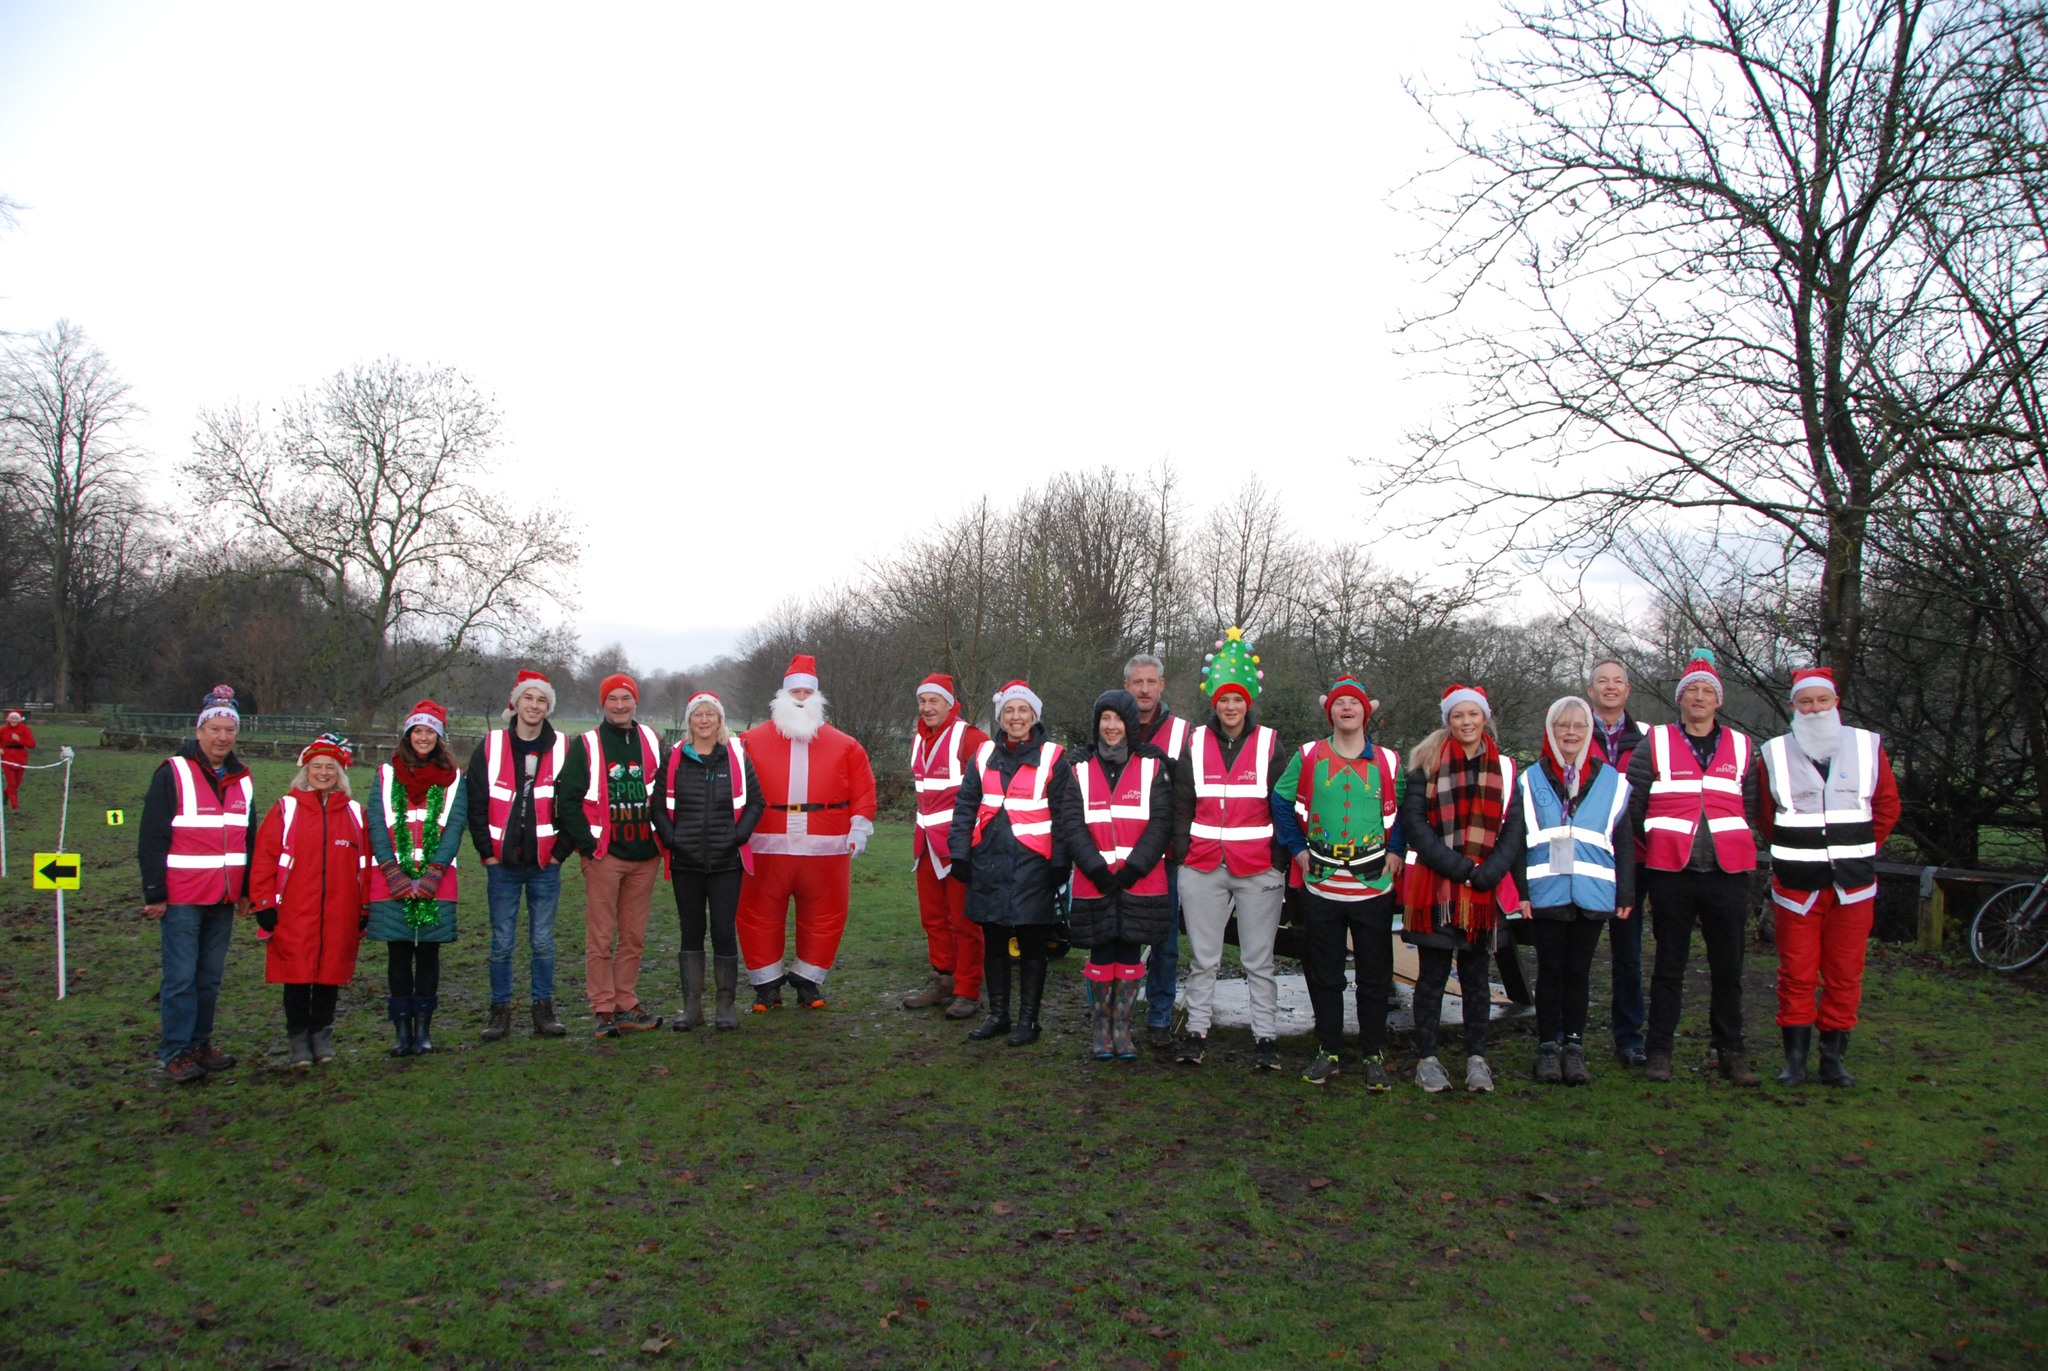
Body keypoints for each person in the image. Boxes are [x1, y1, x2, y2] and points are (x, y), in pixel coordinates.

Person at [1758, 666, 1901, 1087]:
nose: (1815, 708)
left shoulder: (1867, 746)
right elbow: (1766, 816)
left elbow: (1887, 806)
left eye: (1822, 700)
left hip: (1853, 885)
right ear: (1793, 706)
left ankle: (1833, 1058)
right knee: (1797, 972)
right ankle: (1795, 1061)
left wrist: (1857, 848)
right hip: (1796, 884)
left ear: (1836, 703)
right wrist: (1801, 851)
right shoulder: (1774, 753)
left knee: (1845, 972)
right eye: (1806, 702)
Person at [1627, 649, 1763, 1086]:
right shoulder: (1656, 742)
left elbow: (1751, 805)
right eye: (1692, 691)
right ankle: (1659, 1050)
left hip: (1728, 871)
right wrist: (1660, 841)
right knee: (1669, 965)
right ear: (1681, 699)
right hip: (1671, 870)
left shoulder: (1742, 746)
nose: (1699, 697)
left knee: (1729, 967)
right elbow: (1635, 803)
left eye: (1707, 691)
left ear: (1718, 700)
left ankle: (1731, 1051)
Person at [1271, 675, 1406, 1088]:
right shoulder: (1308, 755)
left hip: (1373, 885)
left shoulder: (1389, 761)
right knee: (1325, 973)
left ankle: (1372, 1052)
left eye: (1354, 702)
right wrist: (1296, 847)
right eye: (1339, 703)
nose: (1347, 708)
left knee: (1374, 975)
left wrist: (1397, 850)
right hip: (1322, 884)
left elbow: (1406, 809)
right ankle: (1327, 1049)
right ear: (1329, 712)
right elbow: (1280, 799)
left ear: (1367, 711)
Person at [1399, 684, 1526, 1094]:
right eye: (1458, 715)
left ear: (1485, 717)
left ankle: (1476, 1058)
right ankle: (1427, 1059)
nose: (1466, 722)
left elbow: (1513, 828)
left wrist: (1489, 872)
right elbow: (1415, 823)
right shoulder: (1426, 762)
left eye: (1473, 714)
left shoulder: (1506, 768)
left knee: (1476, 980)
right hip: (1436, 887)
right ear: (1448, 720)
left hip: (1483, 891)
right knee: (1432, 978)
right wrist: (1459, 867)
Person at [1170, 628, 1287, 1071]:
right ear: (1214, 702)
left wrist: (1278, 861)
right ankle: (1197, 1032)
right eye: (1224, 699)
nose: (1231, 706)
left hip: (1258, 867)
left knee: (1259, 960)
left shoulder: (1270, 742)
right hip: (1203, 865)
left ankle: (1266, 1037)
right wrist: (1183, 855)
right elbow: (1182, 803)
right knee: (1204, 958)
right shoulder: (1195, 741)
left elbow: (1282, 804)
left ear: (1248, 702)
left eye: (1238, 699)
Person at [736, 654, 878, 1010]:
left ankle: (808, 981)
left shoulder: (846, 745)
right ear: (781, 696)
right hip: (764, 845)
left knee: (825, 914)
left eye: (807, 692)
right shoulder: (747, 743)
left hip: (825, 847)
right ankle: (766, 985)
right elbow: (733, 789)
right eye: (794, 691)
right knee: (757, 915)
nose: (800, 698)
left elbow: (863, 789)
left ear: (817, 696)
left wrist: (859, 827)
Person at [137, 686, 255, 1083]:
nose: (222, 737)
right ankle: (175, 1051)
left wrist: (246, 890)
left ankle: (201, 1043)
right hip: (182, 897)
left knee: (209, 978)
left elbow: (248, 837)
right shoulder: (173, 772)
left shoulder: (243, 779)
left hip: (223, 896)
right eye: (215, 729)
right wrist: (154, 891)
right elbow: (152, 836)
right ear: (199, 730)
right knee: (181, 978)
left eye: (229, 730)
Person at [949, 679, 1073, 1047]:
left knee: (1032, 943)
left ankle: (1028, 1021)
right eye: (1009, 711)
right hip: (988, 862)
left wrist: (1061, 863)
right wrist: (960, 853)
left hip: (1035, 865)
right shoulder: (983, 754)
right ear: (1000, 716)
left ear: (1034, 715)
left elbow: (1065, 816)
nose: (1016, 717)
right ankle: (998, 1015)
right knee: (994, 940)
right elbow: (965, 807)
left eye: (1023, 710)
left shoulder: (1054, 757)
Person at [1518, 696, 1635, 1086]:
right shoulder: (1529, 779)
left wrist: (1626, 893)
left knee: (1578, 972)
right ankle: (1547, 1047)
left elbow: (1624, 842)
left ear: (1589, 731)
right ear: (1550, 730)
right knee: (1550, 971)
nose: (1571, 732)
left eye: (1579, 725)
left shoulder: (1611, 781)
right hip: (1545, 892)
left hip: (1592, 891)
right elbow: (1517, 840)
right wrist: (1521, 892)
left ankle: (1573, 1045)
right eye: (1562, 725)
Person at [1054, 689, 1172, 1061]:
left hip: (1141, 880)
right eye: (1105, 718)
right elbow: (1071, 823)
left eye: (1118, 719)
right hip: (1096, 881)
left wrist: (1135, 867)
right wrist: (1096, 869)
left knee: (1131, 953)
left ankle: (1123, 1030)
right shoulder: (1079, 768)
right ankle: (1101, 1031)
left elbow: (1162, 822)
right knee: (1101, 953)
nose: (1111, 726)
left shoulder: (1152, 766)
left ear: (1130, 723)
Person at [248, 734, 370, 1069]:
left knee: (330, 976)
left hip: (339, 911)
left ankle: (322, 1035)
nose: (323, 773)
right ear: (306, 770)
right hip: (295, 910)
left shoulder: (356, 814)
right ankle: (298, 1039)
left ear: (340, 773)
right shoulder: (286, 809)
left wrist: (364, 907)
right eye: (317, 766)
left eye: (330, 767)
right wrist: (263, 903)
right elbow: (264, 858)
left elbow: (366, 866)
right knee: (297, 976)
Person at [557, 672, 668, 1036]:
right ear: (603, 703)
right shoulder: (587, 744)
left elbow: (666, 789)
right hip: (606, 855)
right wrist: (590, 846)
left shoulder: (651, 738)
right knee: (601, 937)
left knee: (633, 936)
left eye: (626, 698)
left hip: (645, 854)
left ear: (636, 701)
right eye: (613, 699)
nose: (620, 706)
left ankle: (626, 1000)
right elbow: (568, 801)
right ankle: (603, 1006)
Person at [466, 669, 571, 1041]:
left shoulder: (563, 747)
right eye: (529, 697)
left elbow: (573, 803)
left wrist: (559, 854)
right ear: (516, 702)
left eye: (542, 700)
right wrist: (487, 854)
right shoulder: (492, 745)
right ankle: (500, 1011)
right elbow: (475, 803)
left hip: (545, 864)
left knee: (542, 942)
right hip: (502, 864)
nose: (534, 705)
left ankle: (543, 1010)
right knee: (502, 943)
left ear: (548, 707)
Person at [650, 691, 764, 1031]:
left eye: (710, 714)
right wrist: (672, 839)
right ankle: (692, 1008)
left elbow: (756, 802)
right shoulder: (674, 758)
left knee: (723, 931)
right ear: (689, 720)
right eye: (697, 714)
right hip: (685, 861)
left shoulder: (736, 757)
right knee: (691, 931)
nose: (703, 720)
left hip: (727, 861)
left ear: (719, 720)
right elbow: (657, 806)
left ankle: (725, 1005)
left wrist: (737, 836)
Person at [366, 701, 466, 1057]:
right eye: (417, 731)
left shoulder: (454, 778)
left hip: (437, 881)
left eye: (430, 732)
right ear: (408, 735)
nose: (423, 737)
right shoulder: (385, 775)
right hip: (391, 879)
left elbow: (455, 826)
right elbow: (376, 823)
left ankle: (424, 1028)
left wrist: (433, 874)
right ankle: (401, 1030)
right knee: (397, 954)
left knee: (428, 954)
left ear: (439, 737)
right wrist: (393, 872)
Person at [901, 673, 990, 1020]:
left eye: (933, 701)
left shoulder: (971, 738)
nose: (926, 708)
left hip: (960, 846)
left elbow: (992, 792)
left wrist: (977, 841)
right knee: (934, 919)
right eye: (922, 701)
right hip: (926, 845)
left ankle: (968, 989)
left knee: (965, 921)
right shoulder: (918, 740)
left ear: (950, 704)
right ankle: (944, 978)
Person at [1586, 659, 1651, 1066]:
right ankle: (1566, 1034)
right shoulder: (1573, 730)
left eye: (1618, 682)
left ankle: (1629, 1037)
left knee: (1628, 952)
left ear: (1628, 690)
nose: (1610, 687)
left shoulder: (1648, 739)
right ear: (1590, 690)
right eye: (1602, 681)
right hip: (1584, 860)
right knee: (1578, 952)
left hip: (1634, 858)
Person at [1124, 653, 1190, 1047]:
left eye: (1151, 682)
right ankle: (1119, 1010)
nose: (1145, 689)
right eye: (1138, 682)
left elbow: (1191, 792)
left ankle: (1160, 1013)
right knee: (1124, 934)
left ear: (1162, 685)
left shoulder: (1183, 732)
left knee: (1165, 939)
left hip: (1166, 854)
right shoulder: (1114, 724)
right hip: (1123, 850)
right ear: (1127, 686)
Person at [0, 708, 34, 812]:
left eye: (16, 719)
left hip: (20, 758)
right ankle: (15, 806)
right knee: (12, 783)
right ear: (8, 719)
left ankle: (6, 793)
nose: (14, 720)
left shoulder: (25, 729)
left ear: (19, 720)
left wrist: (19, 739)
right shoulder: (3, 729)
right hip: (7, 758)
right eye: (12, 718)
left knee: (17, 783)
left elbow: (32, 744)